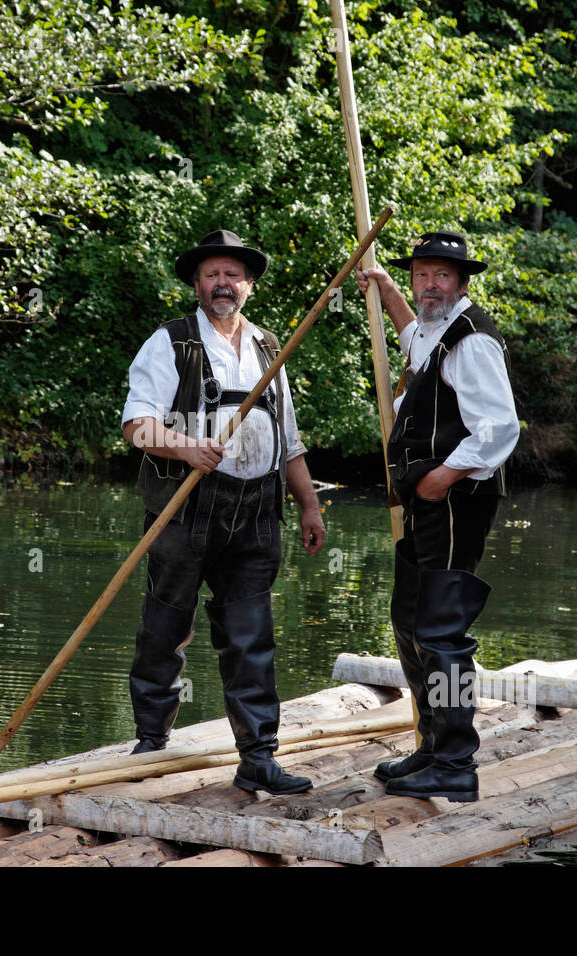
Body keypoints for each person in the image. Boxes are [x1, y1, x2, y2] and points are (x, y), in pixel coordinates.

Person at [121, 229, 327, 796]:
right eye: (212, 275)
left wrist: (308, 505)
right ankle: (150, 742)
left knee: (251, 634)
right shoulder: (170, 343)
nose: (223, 284)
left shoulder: (269, 348)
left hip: (258, 513)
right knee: (166, 624)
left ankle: (258, 755)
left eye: (233, 275)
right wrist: (186, 446)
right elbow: (137, 424)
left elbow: (288, 441)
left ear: (249, 285)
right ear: (197, 283)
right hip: (185, 510)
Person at [354, 230, 518, 802]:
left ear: (461, 282)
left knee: (442, 632)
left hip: (454, 501)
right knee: (409, 620)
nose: (430, 284)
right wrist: (387, 288)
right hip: (428, 502)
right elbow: (413, 340)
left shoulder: (472, 339)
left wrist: (440, 477)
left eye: (441, 275)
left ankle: (455, 763)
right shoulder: (435, 330)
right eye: (422, 274)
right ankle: (430, 744)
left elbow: (500, 427)